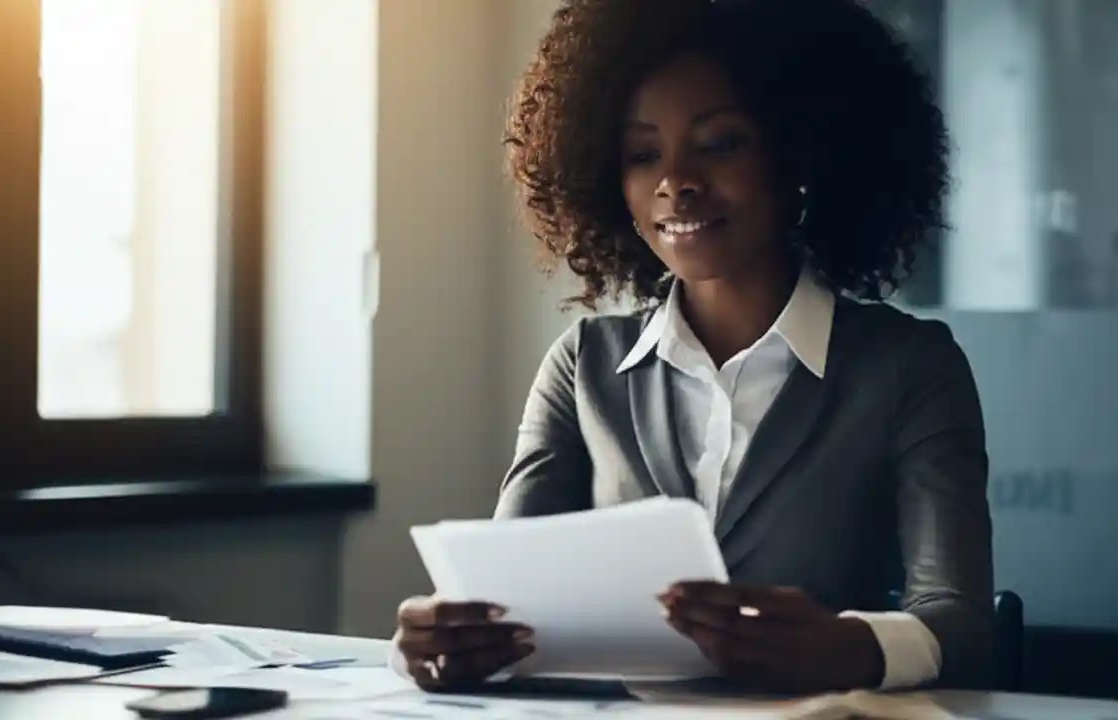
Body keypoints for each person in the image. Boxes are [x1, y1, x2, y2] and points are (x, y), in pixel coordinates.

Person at [395, 0, 993, 694]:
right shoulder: (582, 367)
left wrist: (850, 646)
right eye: (642, 154)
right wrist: (441, 635)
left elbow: (964, 625)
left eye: (720, 143)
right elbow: (498, 601)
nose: (675, 181)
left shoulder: (910, 367)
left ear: (797, 153)